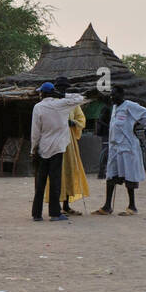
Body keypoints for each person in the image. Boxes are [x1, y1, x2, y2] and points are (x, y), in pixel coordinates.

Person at [93, 85, 146, 216]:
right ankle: (107, 206)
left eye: (114, 95)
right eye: (111, 95)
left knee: (129, 176)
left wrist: (136, 125)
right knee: (111, 175)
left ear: (121, 95)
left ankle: (132, 207)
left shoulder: (130, 106)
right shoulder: (114, 107)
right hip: (114, 147)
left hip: (127, 147)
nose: (112, 97)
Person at [31, 81, 86, 220]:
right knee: (55, 181)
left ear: (43, 93)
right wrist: (62, 95)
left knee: (40, 182)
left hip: (43, 148)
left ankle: (36, 214)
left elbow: (35, 132)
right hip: (58, 149)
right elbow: (79, 98)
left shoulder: (38, 107)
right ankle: (55, 213)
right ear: (54, 92)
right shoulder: (62, 105)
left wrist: (33, 149)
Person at [45, 76, 90, 214]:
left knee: (69, 171)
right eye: (59, 88)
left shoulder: (72, 103)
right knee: (56, 173)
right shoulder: (51, 103)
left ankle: (66, 205)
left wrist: (74, 123)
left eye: (64, 88)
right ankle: (55, 206)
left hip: (69, 143)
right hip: (55, 140)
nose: (61, 90)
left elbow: (81, 119)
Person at [94, 103, 111, 179]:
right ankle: (101, 173)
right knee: (105, 154)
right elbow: (99, 120)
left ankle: (102, 173)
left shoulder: (107, 108)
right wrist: (109, 126)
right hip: (106, 134)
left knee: (105, 153)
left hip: (106, 134)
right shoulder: (106, 109)